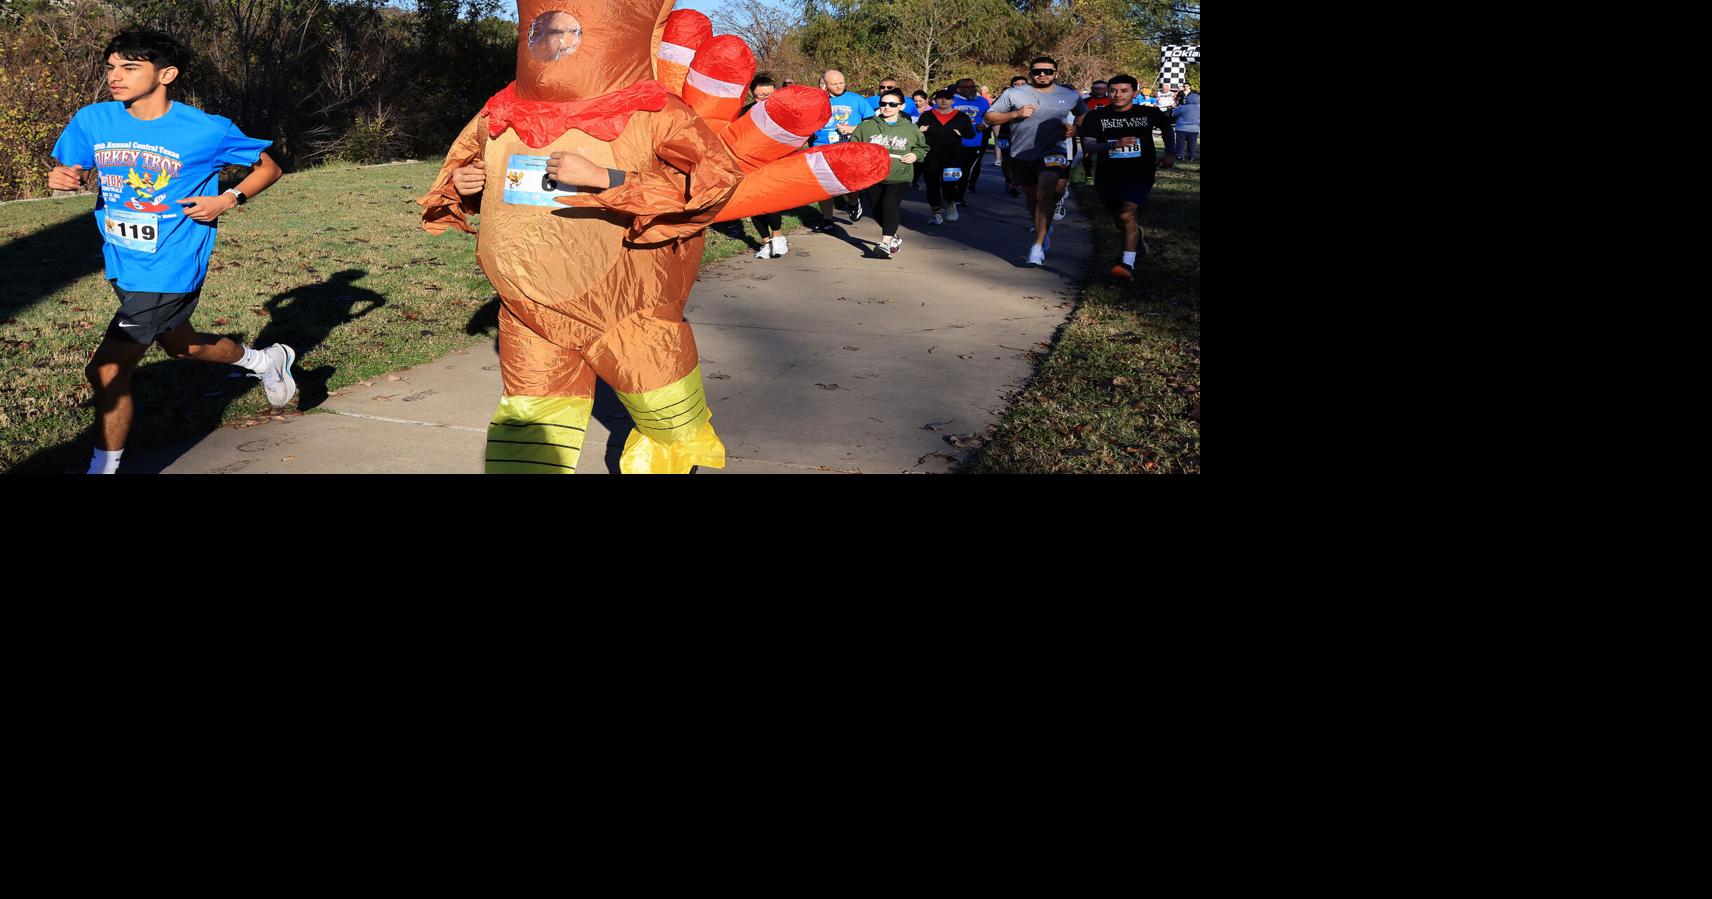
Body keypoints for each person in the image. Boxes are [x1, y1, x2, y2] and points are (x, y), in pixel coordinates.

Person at [48, 28, 287, 475]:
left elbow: (270, 167)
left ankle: (104, 469)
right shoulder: (93, 119)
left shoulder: (206, 129)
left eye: (129, 68)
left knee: (106, 371)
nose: (115, 77)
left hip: (172, 265)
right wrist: (62, 176)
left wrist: (227, 199)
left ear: (167, 74)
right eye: (111, 67)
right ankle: (265, 360)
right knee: (181, 346)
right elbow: (71, 166)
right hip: (123, 261)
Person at [986, 56, 1086, 266]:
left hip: (1054, 150)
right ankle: (1044, 229)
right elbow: (990, 117)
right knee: (1033, 197)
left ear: (1056, 74)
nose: (1043, 75)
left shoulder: (1068, 95)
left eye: (1048, 71)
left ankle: (1037, 246)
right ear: (1030, 73)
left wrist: (1076, 128)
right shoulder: (1014, 93)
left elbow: (1083, 114)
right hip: (1022, 153)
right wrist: (1015, 113)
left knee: (1047, 191)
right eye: (1037, 72)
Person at [1080, 73, 1174, 281]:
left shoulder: (1148, 113)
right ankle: (1137, 239)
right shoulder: (1096, 116)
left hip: (1140, 172)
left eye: (1124, 91)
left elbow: (1167, 127)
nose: (1117, 95)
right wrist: (1114, 144)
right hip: (1108, 174)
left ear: (1134, 93)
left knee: (1127, 214)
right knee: (1119, 220)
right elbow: (1088, 145)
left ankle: (1126, 264)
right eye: (1113, 91)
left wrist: (1170, 152)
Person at [848, 88, 926, 258]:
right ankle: (893, 237)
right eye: (883, 104)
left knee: (890, 206)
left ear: (901, 106)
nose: (887, 107)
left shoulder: (911, 129)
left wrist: (915, 155)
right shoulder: (867, 126)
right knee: (877, 210)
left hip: (899, 175)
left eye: (892, 104)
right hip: (873, 175)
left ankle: (884, 243)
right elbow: (853, 147)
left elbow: (922, 148)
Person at [810, 68, 872, 230]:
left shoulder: (856, 99)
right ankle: (827, 219)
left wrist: (853, 129)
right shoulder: (817, 100)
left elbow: (870, 122)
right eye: (834, 84)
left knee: (850, 183)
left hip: (848, 148)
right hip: (822, 148)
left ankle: (853, 201)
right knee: (824, 187)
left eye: (841, 83)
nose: (838, 86)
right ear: (825, 84)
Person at [741, 74, 793, 258]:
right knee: (752, 203)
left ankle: (777, 238)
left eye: (770, 95)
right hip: (750, 163)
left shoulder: (785, 112)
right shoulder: (745, 112)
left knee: (770, 200)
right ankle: (766, 242)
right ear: (752, 94)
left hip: (774, 162)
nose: (765, 99)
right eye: (761, 96)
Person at [917, 89, 974, 225]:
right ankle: (936, 213)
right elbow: (917, 131)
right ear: (935, 100)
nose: (943, 100)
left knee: (950, 185)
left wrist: (961, 133)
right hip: (931, 158)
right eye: (940, 98)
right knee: (932, 185)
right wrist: (919, 130)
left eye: (947, 98)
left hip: (953, 158)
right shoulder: (927, 115)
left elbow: (970, 134)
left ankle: (950, 204)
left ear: (952, 101)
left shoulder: (962, 117)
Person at [949, 78, 991, 198]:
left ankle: (959, 196)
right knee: (951, 169)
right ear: (958, 89)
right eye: (968, 87)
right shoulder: (949, 100)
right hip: (952, 142)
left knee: (966, 170)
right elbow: (935, 115)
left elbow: (989, 116)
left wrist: (985, 124)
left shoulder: (982, 101)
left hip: (974, 141)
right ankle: (949, 192)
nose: (973, 89)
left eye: (974, 86)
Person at [996, 74, 1027, 197]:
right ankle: (1009, 180)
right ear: (1012, 86)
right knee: (1007, 159)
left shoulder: (1034, 98)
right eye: (1016, 84)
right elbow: (993, 114)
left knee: (1021, 159)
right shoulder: (1004, 98)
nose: (1019, 86)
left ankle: (1017, 182)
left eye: (1023, 84)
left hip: (1024, 134)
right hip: (1006, 132)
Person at [1080, 80, 1111, 185]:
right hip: (1089, 132)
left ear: (1106, 89)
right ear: (1092, 89)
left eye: (1102, 89)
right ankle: (1088, 176)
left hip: (1107, 131)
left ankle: (1102, 177)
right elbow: (1079, 116)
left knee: (1106, 155)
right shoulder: (1085, 101)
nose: (1099, 91)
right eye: (1096, 89)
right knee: (1087, 155)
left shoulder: (1112, 100)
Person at [1172, 88, 1198, 161]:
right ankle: (1192, 156)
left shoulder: (1183, 107)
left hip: (1181, 127)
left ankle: (1180, 156)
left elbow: (1174, 113)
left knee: (1180, 143)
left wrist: (1174, 108)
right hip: (1194, 128)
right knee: (1192, 143)